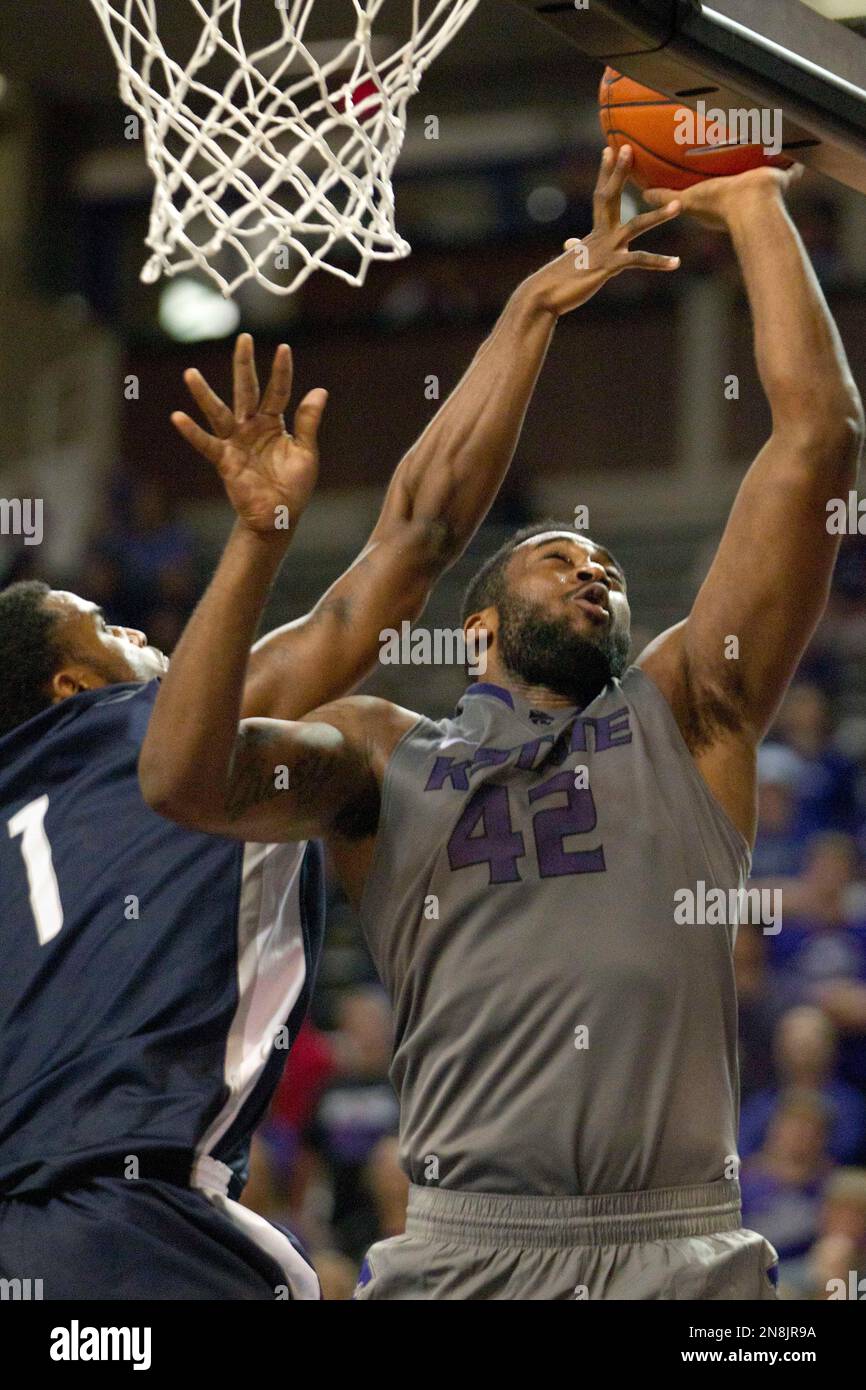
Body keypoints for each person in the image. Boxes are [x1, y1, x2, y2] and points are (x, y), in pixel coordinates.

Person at [142, 148, 864, 1299]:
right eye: (559, 558)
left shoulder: (687, 711)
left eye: (610, 571)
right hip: (456, 1250)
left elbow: (817, 442)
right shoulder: (384, 751)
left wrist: (752, 200)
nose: (596, 574)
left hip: (681, 1246)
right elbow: (180, 779)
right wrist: (256, 546)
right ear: (476, 624)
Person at [0, 321, 538, 1299]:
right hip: (128, 1229)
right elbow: (412, 545)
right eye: (113, 629)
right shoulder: (154, 730)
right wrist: (533, 313)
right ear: (76, 689)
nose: (145, 637)